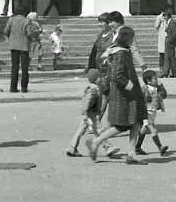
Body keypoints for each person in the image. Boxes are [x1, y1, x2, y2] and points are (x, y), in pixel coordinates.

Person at [88, 26, 148, 165]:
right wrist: (129, 85)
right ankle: (96, 141)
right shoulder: (121, 53)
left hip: (129, 93)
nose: (133, 40)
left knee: (135, 122)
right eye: (132, 37)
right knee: (123, 124)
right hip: (124, 94)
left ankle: (132, 154)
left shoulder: (118, 50)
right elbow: (117, 74)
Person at [66, 68, 104, 158]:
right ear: (95, 79)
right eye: (99, 77)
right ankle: (108, 147)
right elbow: (88, 101)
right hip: (90, 114)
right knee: (98, 130)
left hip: (89, 114)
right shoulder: (93, 89)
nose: (101, 79)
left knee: (82, 130)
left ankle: (72, 148)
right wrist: (86, 112)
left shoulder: (94, 88)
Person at [135, 70, 169, 156]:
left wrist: (161, 86)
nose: (157, 80)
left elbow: (164, 95)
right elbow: (138, 99)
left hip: (152, 112)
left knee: (144, 130)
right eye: (155, 78)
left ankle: (137, 147)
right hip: (146, 112)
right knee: (153, 129)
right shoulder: (145, 88)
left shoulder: (157, 88)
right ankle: (160, 147)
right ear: (148, 81)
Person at [5, 10, 32, 93]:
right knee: (24, 68)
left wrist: (11, 37)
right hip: (24, 46)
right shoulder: (27, 21)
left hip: (13, 45)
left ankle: (13, 87)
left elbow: (6, 31)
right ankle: (24, 87)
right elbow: (29, 33)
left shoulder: (11, 20)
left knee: (14, 67)